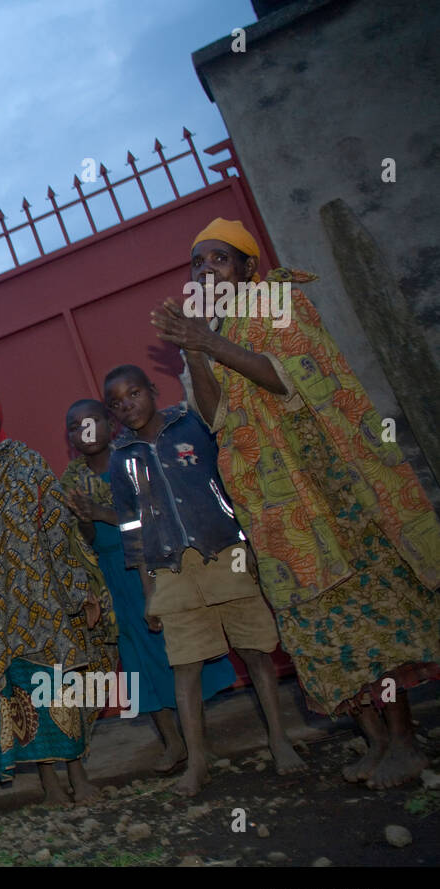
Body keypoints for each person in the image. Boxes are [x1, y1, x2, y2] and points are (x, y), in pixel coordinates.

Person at [151, 218, 440, 789]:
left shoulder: (277, 301)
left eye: (219, 259)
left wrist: (209, 342)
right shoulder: (210, 332)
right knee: (320, 624)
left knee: (371, 613)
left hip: (330, 492)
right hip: (278, 510)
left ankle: (406, 741)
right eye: (198, 262)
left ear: (246, 267)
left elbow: (288, 382)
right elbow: (213, 421)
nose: (206, 269)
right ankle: (376, 743)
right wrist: (199, 353)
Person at [104, 364, 303, 797]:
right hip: (169, 569)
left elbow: (230, 483)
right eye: (116, 403)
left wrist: (248, 547)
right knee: (184, 667)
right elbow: (131, 529)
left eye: (134, 393)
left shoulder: (191, 423)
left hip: (224, 552)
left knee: (255, 651)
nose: (127, 405)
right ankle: (198, 761)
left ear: (154, 390)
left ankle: (279, 739)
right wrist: (148, 593)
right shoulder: (121, 459)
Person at [0, 387, 116, 806]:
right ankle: (49, 784)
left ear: (0, 414)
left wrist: (78, 588)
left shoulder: (27, 460)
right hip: (0, 607)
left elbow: (59, 526)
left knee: (64, 684)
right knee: (27, 692)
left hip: (48, 596)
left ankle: (79, 775)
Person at [61, 400, 237, 774]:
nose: (85, 431)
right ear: (70, 438)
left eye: (92, 421)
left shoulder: (135, 457)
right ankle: (172, 742)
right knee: (138, 658)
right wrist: (85, 518)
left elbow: (151, 514)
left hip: (153, 564)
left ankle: (199, 744)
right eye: (75, 427)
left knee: (176, 648)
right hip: (110, 575)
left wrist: (100, 512)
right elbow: (84, 538)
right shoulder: (71, 481)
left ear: (111, 425)